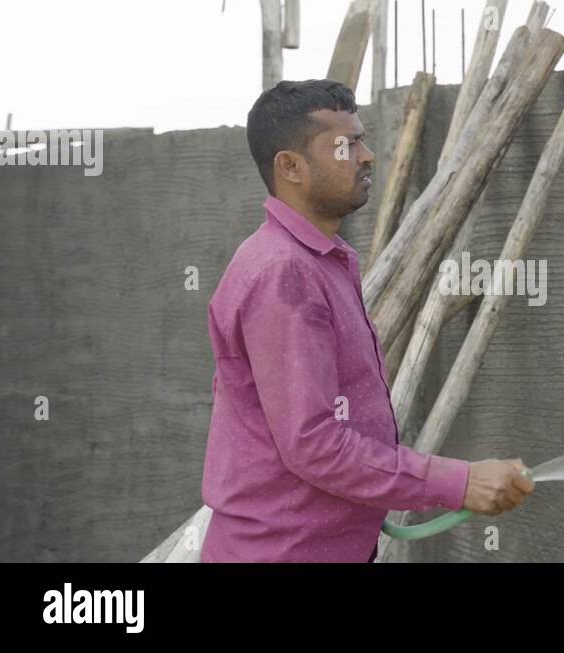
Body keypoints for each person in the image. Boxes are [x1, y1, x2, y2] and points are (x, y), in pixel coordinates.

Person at [200, 79, 534, 562]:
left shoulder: (318, 261)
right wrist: (460, 481)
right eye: (346, 144)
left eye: (362, 139)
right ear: (290, 167)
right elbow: (314, 445)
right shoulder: (284, 273)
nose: (367, 155)